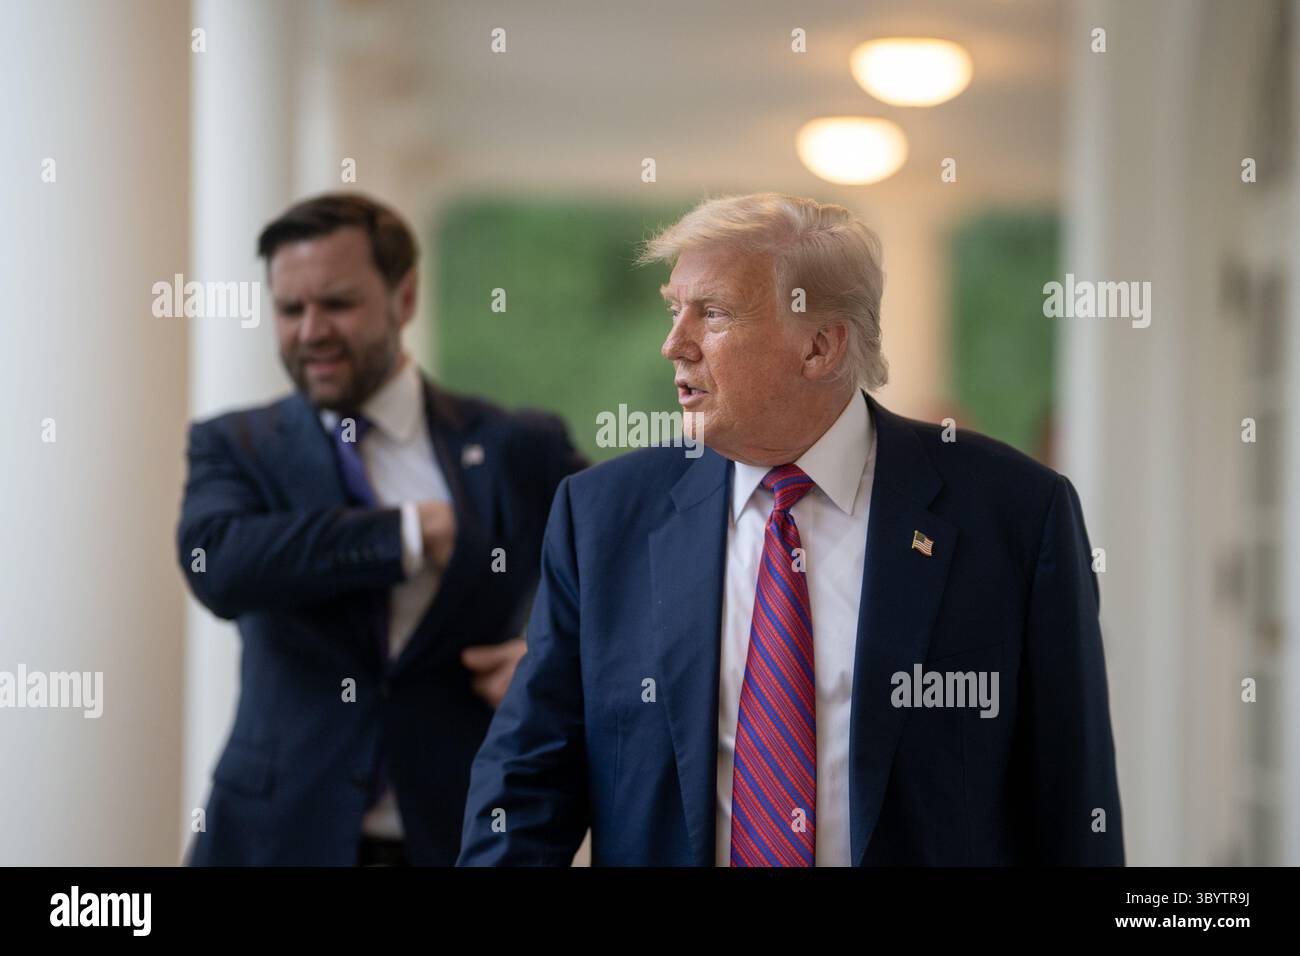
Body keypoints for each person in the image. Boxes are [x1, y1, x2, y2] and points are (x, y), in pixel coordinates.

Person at [458, 193, 1123, 866]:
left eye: (711, 313)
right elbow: (528, 784)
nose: (673, 343)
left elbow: (1073, 804)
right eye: (673, 308)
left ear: (819, 345)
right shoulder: (602, 516)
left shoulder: (1014, 514)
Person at [178, 193, 584, 865]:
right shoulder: (236, 445)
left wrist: (555, 665)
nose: (311, 331)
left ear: (404, 299)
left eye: (337, 304)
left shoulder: (515, 446)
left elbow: (630, 555)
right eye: (289, 310)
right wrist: (407, 533)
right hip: (272, 838)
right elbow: (217, 564)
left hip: (460, 835)